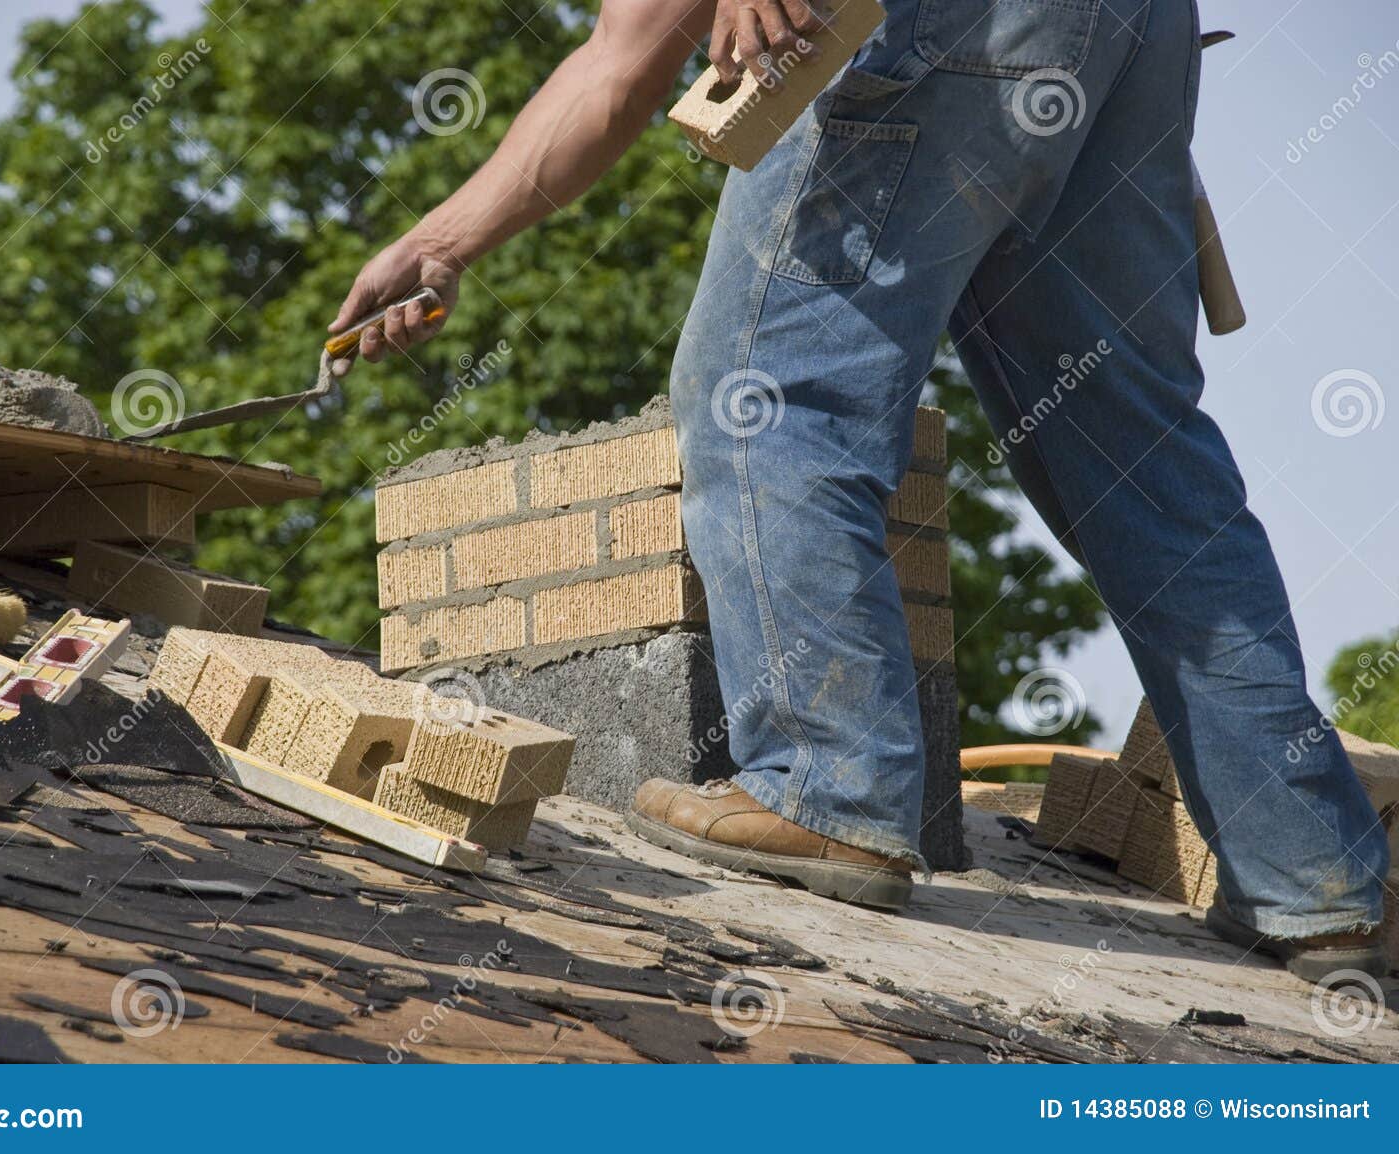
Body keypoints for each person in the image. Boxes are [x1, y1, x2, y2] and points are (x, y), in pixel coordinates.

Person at [329, 0, 1389, 982]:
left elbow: (622, 64)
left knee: (773, 396)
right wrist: (436, 245)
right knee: (1142, 459)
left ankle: (826, 786)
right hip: (1123, 34)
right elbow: (619, 65)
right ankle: (1313, 880)